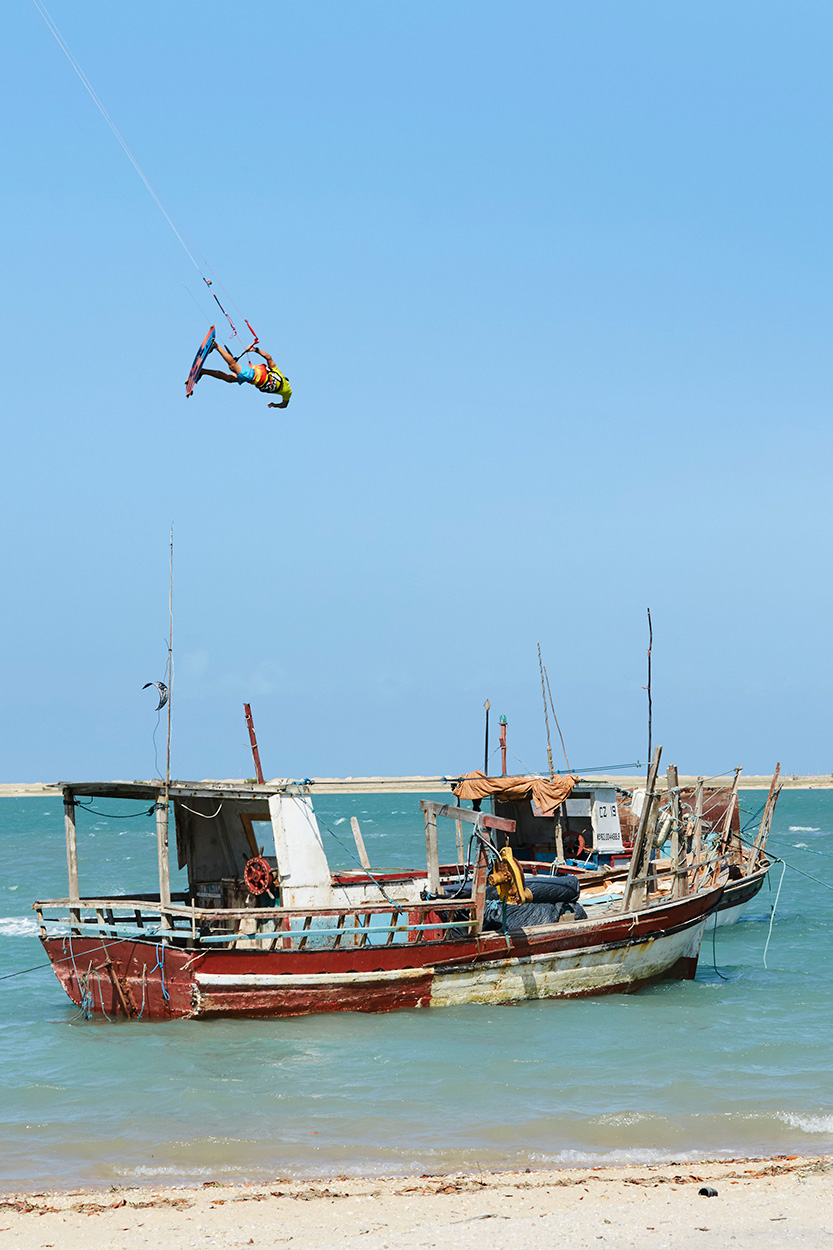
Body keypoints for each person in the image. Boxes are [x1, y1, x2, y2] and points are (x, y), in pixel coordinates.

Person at [196, 341, 292, 408]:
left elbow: (269, 358)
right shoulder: (287, 391)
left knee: (229, 379)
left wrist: (256, 350)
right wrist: (255, 349)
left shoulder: (287, 390)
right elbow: (269, 358)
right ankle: (215, 345)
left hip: (252, 379)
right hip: (254, 374)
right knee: (233, 366)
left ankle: (203, 371)